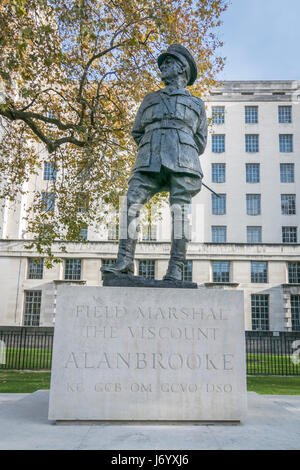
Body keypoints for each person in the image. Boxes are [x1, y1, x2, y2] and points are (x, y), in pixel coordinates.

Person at [102, 44, 207, 281]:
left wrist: (177, 143)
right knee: (129, 203)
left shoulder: (197, 104)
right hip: (149, 155)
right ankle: (125, 260)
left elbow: (200, 141)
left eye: (168, 62)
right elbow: (137, 131)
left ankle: (176, 268)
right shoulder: (150, 98)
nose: (162, 66)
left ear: (181, 68)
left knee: (180, 212)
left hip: (183, 159)